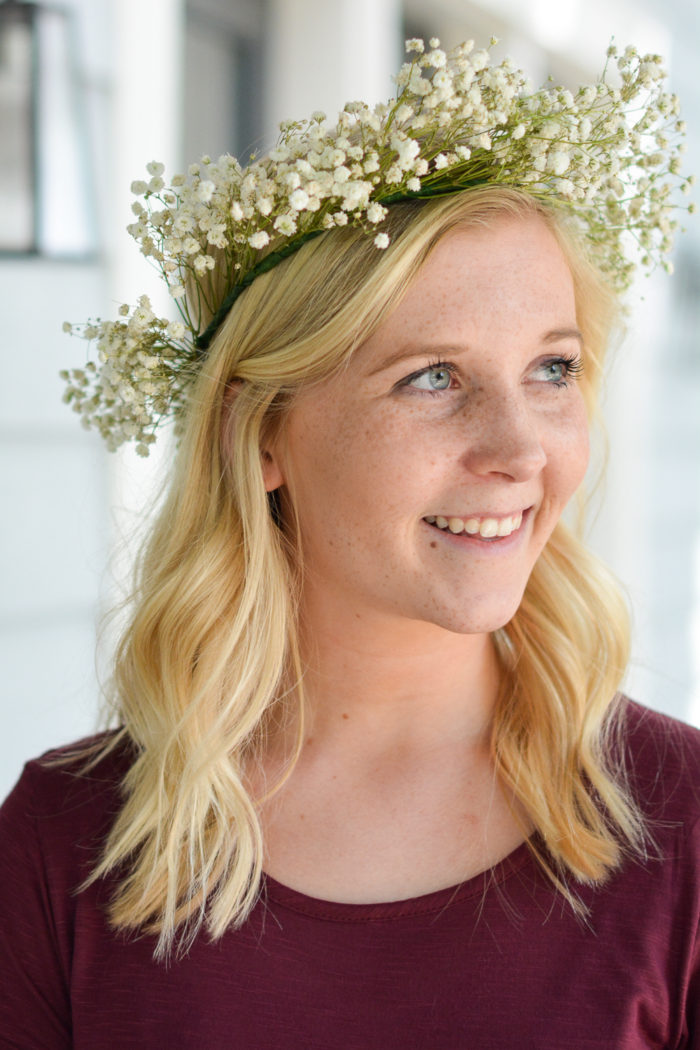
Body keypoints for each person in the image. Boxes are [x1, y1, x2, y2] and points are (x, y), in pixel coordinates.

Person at [1, 37, 698, 1049]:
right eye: (432, 379)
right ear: (262, 431)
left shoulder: (681, 829)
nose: (518, 450)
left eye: (552, 370)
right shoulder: (61, 844)